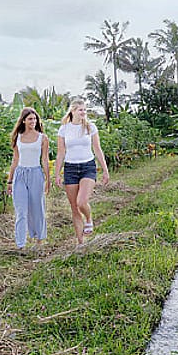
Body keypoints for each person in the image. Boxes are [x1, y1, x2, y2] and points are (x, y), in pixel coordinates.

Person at [53, 98, 109, 246]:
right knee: (74, 208)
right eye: (80, 110)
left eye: (85, 110)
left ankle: (89, 219)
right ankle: (80, 243)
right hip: (70, 169)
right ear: (73, 111)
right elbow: (61, 153)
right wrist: (57, 174)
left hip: (87, 167)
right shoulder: (64, 129)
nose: (83, 112)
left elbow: (97, 149)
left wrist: (105, 170)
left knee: (81, 202)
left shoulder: (91, 127)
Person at [7, 106, 50, 252]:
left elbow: (45, 160)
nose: (33, 121)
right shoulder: (17, 137)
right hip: (20, 174)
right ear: (24, 121)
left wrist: (48, 179)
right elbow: (15, 159)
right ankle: (20, 244)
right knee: (21, 210)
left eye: (35, 119)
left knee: (37, 208)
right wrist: (10, 181)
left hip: (36, 174)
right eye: (30, 119)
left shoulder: (43, 138)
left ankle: (39, 239)